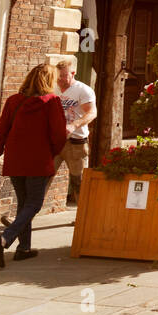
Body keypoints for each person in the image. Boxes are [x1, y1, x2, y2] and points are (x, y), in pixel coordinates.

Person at [0, 63, 68, 267]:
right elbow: (58, 136)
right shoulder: (51, 101)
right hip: (38, 161)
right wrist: (52, 153)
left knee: (24, 204)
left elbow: (0, 133)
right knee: (34, 204)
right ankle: (4, 238)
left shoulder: (13, 101)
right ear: (49, 81)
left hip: (15, 160)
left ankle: (24, 249)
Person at [52, 58, 96, 205]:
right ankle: (25, 218)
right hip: (56, 142)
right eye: (58, 76)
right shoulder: (53, 89)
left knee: (79, 182)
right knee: (41, 178)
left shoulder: (83, 90)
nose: (59, 79)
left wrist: (74, 125)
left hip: (76, 144)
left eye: (63, 76)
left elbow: (92, 113)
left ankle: (81, 219)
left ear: (73, 73)